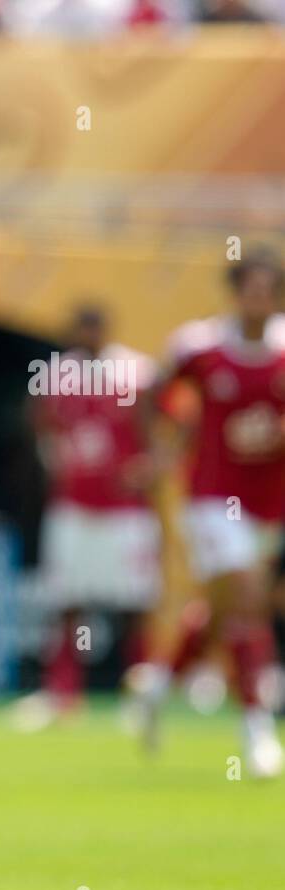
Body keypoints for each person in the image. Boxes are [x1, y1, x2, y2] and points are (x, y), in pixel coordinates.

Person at [126, 249, 285, 778]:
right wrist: (162, 449)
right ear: (236, 291)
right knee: (245, 600)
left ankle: (157, 685)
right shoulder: (202, 347)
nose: (258, 299)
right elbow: (154, 390)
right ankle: (258, 730)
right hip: (214, 499)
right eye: (250, 288)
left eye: (268, 289)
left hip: (269, 504)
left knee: (226, 614)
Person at [12, 306, 159, 731]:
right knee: (65, 602)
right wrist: (51, 460)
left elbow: (164, 426)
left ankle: (140, 696)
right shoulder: (56, 376)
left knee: (135, 604)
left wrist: (150, 466)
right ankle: (62, 694)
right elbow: (37, 423)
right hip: (73, 506)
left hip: (125, 511)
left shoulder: (135, 372)